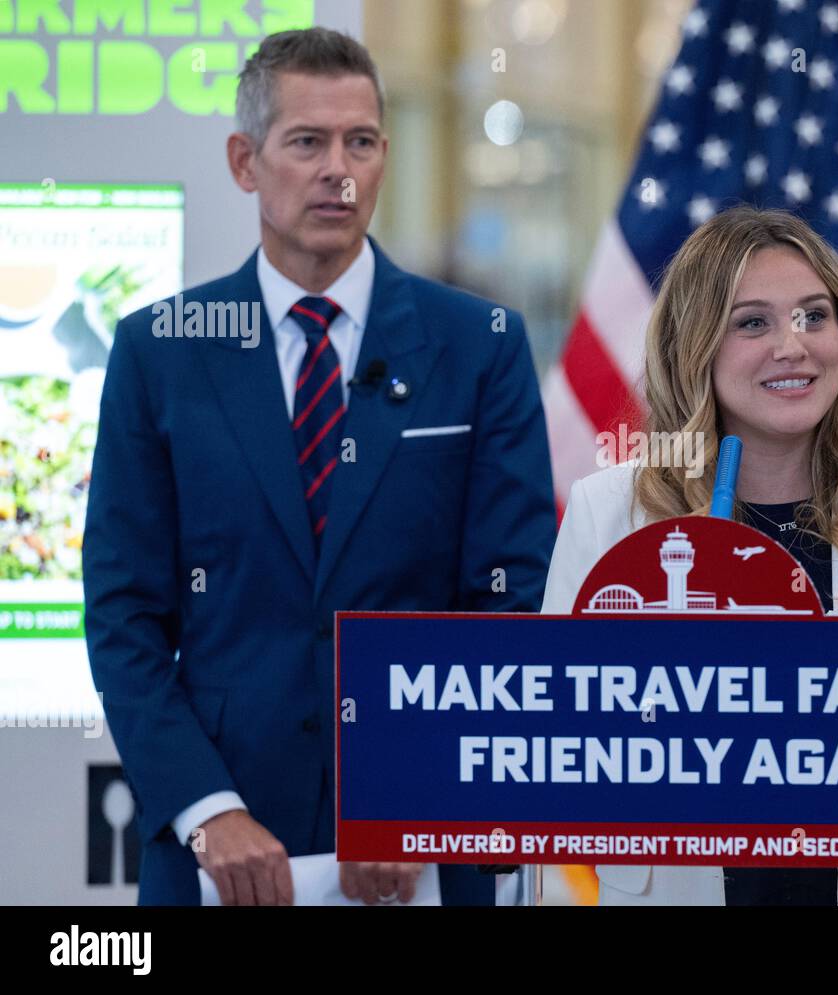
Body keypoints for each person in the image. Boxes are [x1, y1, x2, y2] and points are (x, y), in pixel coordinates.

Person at [83, 28, 556, 906]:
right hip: (216, 856)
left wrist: (412, 798)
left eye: (361, 142)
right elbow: (124, 614)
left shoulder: (479, 346)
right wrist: (208, 809)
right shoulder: (159, 352)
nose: (338, 171)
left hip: (423, 854)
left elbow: (510, 603)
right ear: (245, 162)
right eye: (307, 142)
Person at [542, 205, 838, 906]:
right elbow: (558, 741)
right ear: (694, 346)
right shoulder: (608, 513)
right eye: (753, 322)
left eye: (814, 316)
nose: (793, 345)